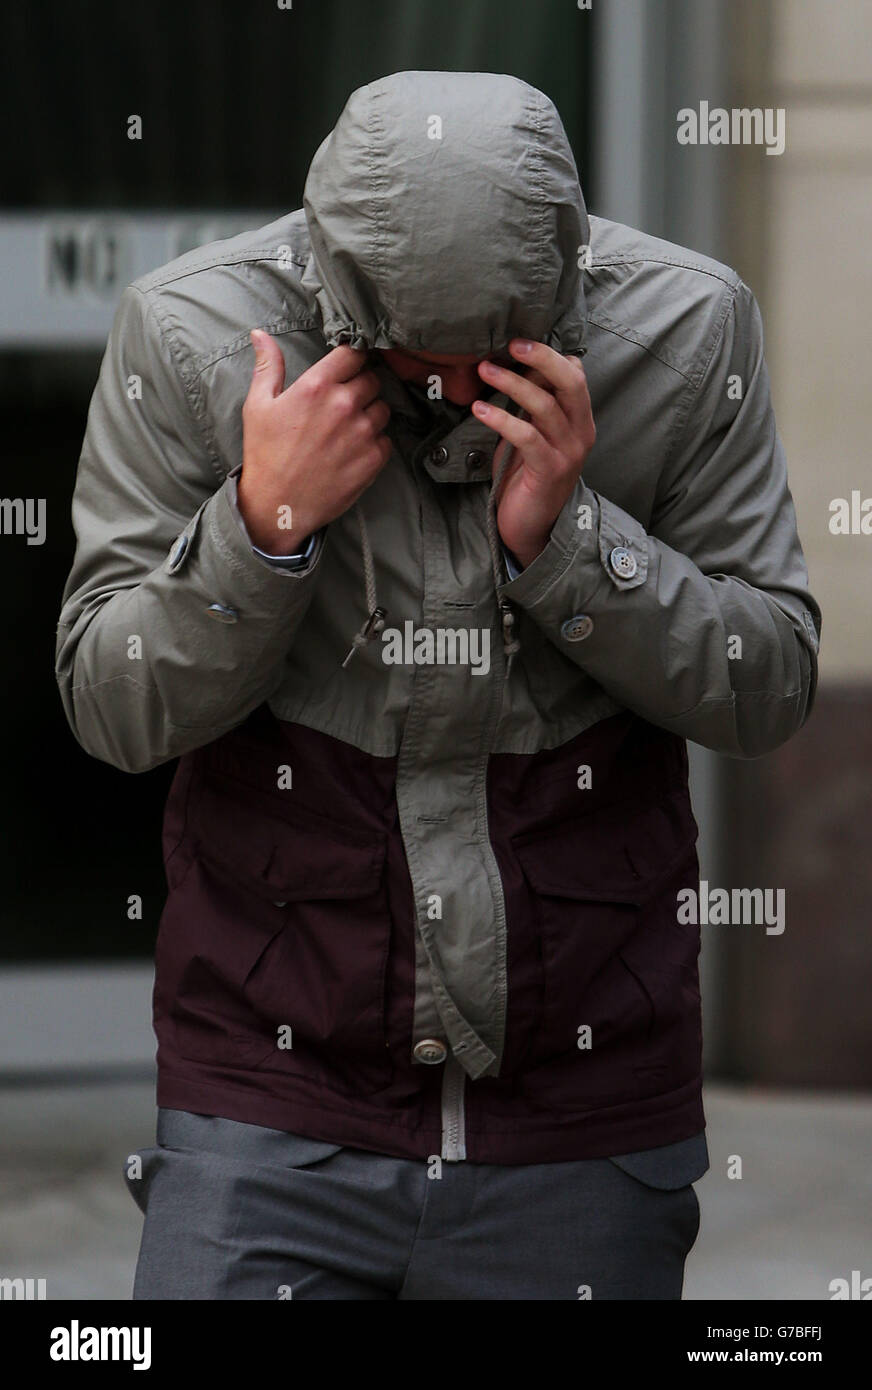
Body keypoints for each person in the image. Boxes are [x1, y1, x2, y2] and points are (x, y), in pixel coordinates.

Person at [55, 70, 821, 1300]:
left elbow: (768, 681)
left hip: (583, 1110)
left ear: (564, 285)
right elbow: (110, 700)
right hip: (268, 1094)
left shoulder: (685, 331)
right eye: (421, 364)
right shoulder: (190, 332)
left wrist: (569, 543)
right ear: (337, 290)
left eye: (493, 365)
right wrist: (263, 526)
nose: (455, 403)